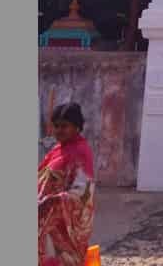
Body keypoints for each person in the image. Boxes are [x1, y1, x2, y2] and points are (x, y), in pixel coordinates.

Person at [38, 103, 96, 266]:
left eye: (64, 126)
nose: (59, 130)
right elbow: (43, 177)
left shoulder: (80, 152)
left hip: (64, 223)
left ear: (77, 127)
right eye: (56, 126)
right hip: (46, 219)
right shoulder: (58, 149)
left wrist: (53, 201)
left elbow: (82, 193)